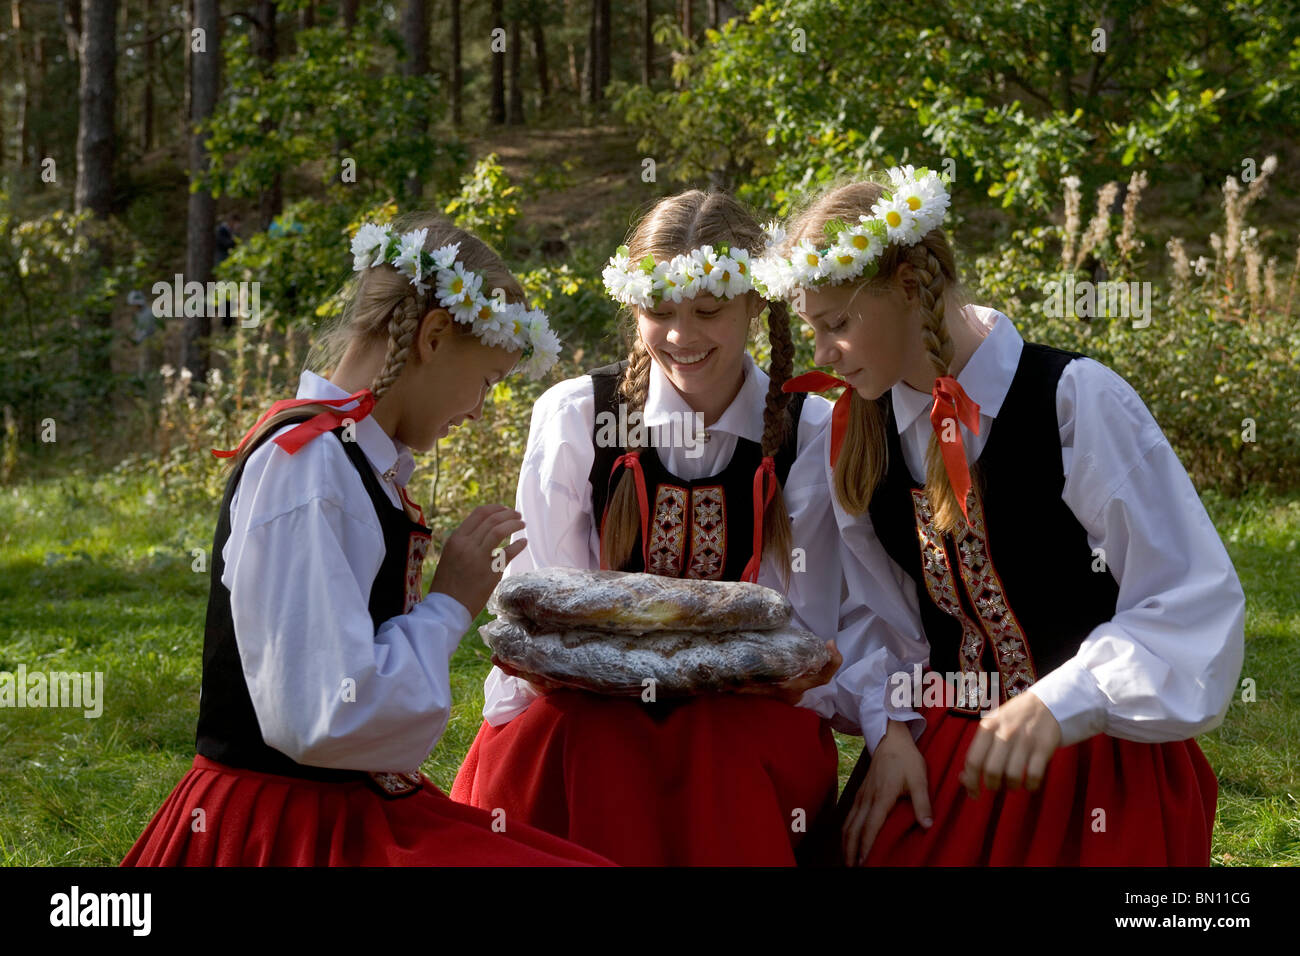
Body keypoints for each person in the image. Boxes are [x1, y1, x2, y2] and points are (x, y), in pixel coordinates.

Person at [767, 166, 1245, 866]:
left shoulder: (1073, 401)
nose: (821, 354)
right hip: (940, 751)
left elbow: (1188, 596)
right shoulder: (857, 436)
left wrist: (1066, 700)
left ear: (906, 288)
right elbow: (875, 617)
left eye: (837, 324)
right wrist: (889, 728)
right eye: (814, 328)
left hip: (1093, 757)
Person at [122, 213, 607, 866]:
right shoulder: (306, 465)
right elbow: (326, 717)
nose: (478, 412)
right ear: (434, 336)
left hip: (340, 803)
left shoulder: (346, 460)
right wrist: (451, 603)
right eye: (486, 382)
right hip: (283, 826)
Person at [451, 190, 843, 866]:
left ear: (755, 303)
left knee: (721, 744)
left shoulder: (810, 430)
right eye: (657, 313)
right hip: (587, 711)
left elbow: (805, 633)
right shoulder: (578, 416)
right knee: (589, 738)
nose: (681, 337)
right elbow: (543, 603)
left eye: (709, 311)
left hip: (743, 718)